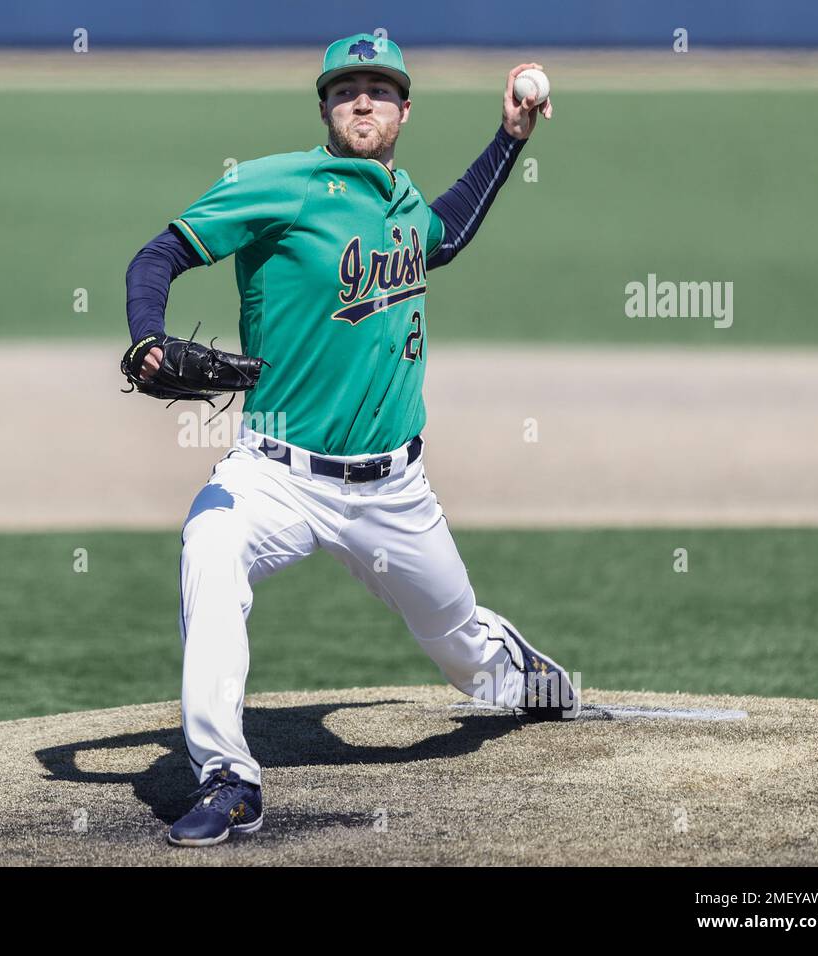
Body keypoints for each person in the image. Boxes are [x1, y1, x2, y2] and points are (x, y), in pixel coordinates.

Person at [122, 34, 577, 848]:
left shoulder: (402, 204)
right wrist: (148, 336)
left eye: (380, 88)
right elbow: (159, 252)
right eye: (345, 89)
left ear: (405, 108)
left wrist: (511, 139)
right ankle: (228, 778)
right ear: (325, 108)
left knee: (463, 652)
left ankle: (513, 669)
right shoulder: (277, 185)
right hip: (276, 475)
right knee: (209, 545)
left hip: (395, 492)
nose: (363, 101)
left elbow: (446, 234)